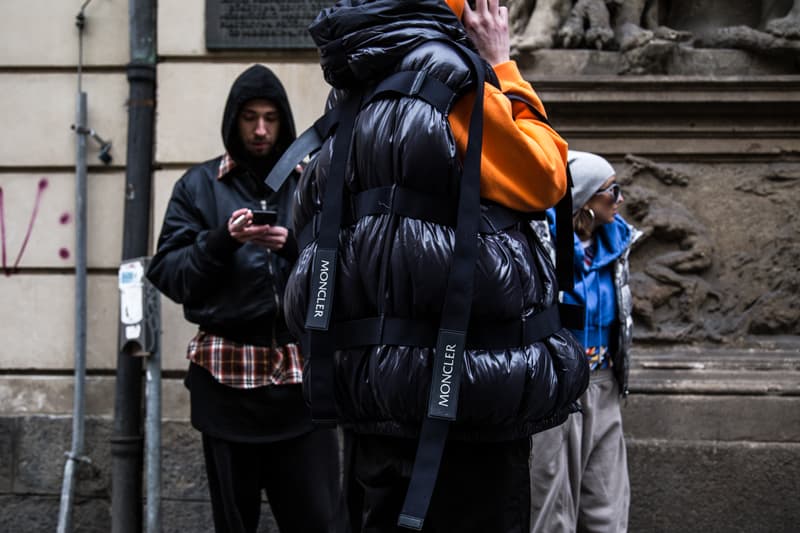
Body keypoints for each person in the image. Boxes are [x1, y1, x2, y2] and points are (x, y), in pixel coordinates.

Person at [283, 1, 589, 532]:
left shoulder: (357, 83)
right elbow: (545, 177)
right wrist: (501, 64)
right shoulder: (451, 75)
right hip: (463, 398)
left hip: (374, 391)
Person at [146, 65, 341, 533]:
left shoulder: (313, 181)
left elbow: (347, 274)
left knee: (321, 520)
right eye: (249, 117)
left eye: (270, 118)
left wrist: (295, 248)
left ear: (284, 122)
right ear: (233, 120)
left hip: (302, 385)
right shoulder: (197, 187)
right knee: (235, 524)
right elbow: (169, 275)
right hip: (224, 384)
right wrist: (220, 242)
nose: (259, 130)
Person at [529, 150, 642, 533]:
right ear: (586, 198)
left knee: (607, 504)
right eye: (613, 190)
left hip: (604, 383)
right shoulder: (541, 246)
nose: (621, 200)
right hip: (557, 390)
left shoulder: (617, 244)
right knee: (552, 505)